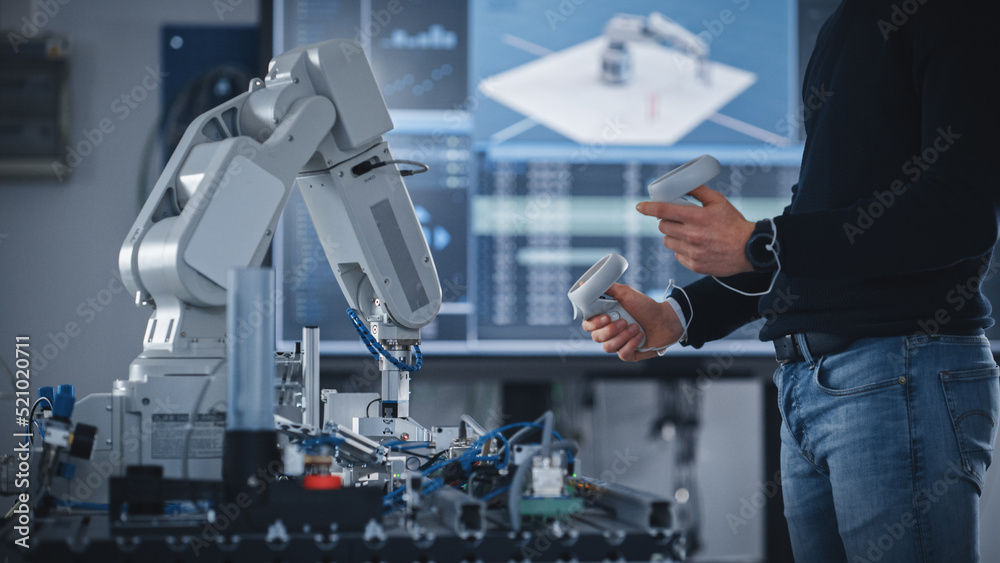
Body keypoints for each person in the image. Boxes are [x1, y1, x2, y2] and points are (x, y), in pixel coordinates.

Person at [582, 1, 1000, 561]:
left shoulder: (955, 14)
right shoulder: (845, 25)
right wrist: (678, 316)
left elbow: (961, 214)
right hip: (812, 388)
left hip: (897, 376)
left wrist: (761, 240)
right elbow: (817, 237)